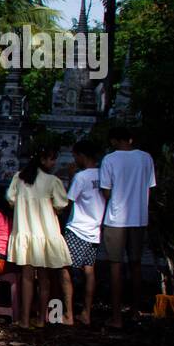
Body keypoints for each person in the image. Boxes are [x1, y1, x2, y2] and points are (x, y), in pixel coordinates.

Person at [7, 147, 72, 328]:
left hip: (26, 232)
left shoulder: (19, 178)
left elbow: (10, 200)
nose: (54, 163)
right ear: (43, 160)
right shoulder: (52, 181)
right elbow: (61, 205)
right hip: (46, 233)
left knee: (27, 277)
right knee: (44, 278)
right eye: (52, 159)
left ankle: (25, 320)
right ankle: (42, 319)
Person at [99, 126, 156, 329]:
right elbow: (150, 187)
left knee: (115, 266)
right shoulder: (146, 158)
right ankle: (135, 310)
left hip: (116, 219)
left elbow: (106, 192)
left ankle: (116, 316)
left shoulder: (110, 159)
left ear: (114, 140)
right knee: (136, 264)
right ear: (130, 139)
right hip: (139, 217)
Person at [61, 139, 106, 325]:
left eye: (75, 155)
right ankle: (86, 313)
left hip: (78, 228)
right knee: (89, 271)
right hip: (95, 230)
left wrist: (71, 177)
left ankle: (69, 314)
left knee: (65, 268)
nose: (74, 159)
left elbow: (68, 200)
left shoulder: (81, 177)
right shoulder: (103, 174)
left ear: (81, 156)